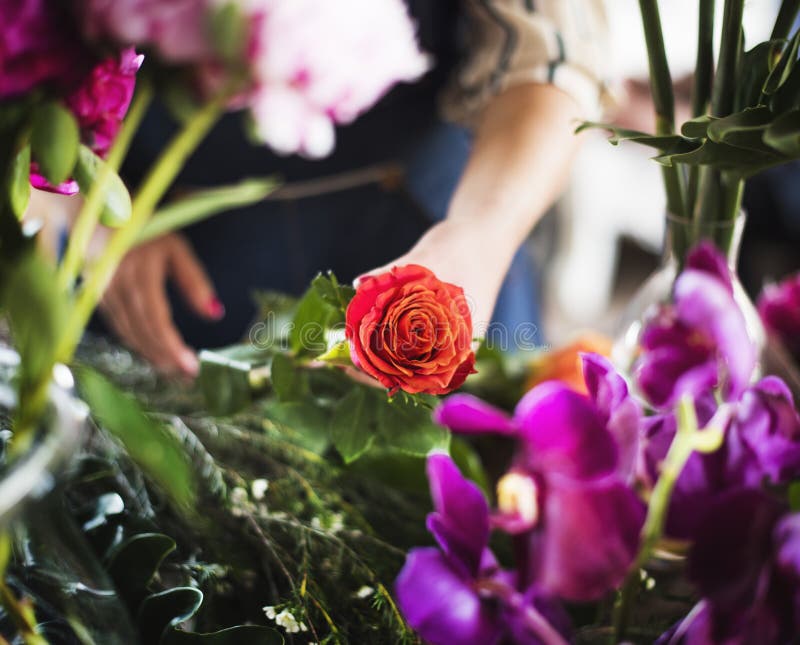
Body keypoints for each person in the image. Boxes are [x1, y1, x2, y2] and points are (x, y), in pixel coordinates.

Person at [98, 0, 610, 376]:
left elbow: (553, 59)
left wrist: (476, 240)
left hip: (444, 240)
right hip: (168, 281)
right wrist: (89, 212)